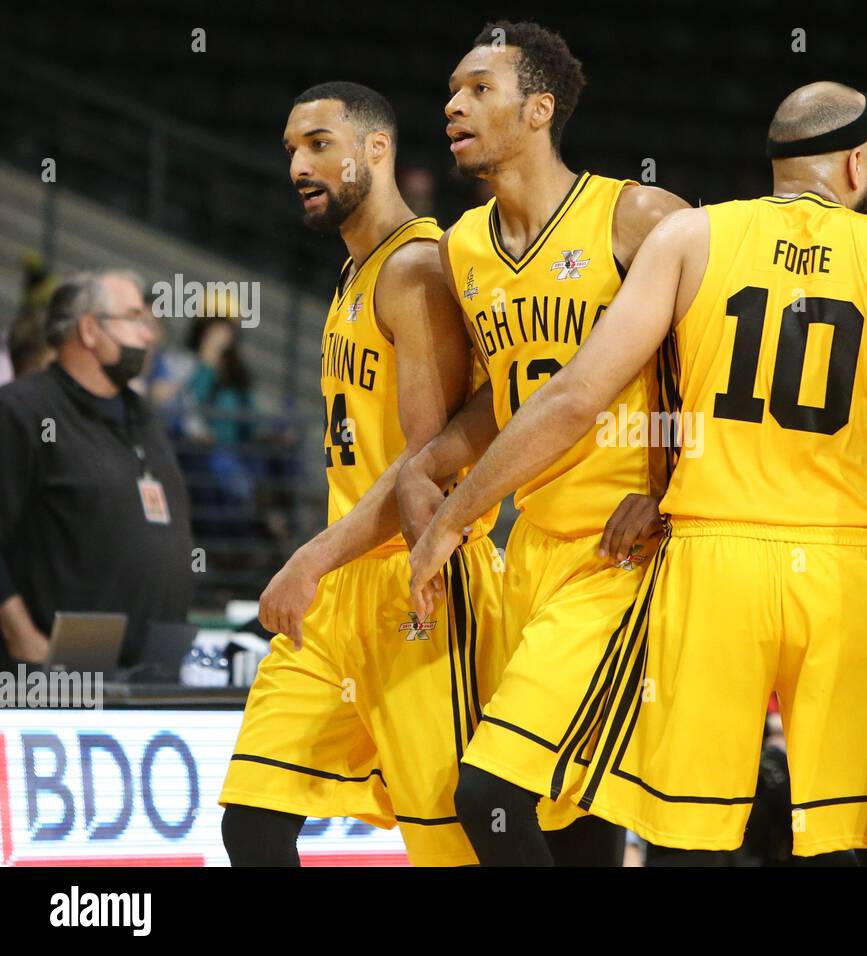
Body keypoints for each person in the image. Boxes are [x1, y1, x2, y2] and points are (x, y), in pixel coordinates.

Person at [408, 81, 867, 861]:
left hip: (711, 560)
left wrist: (457, 513)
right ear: (859, 163)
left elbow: (575, 395)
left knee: (686, 838)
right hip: (844, 564)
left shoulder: (691, 237)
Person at [395, 21, 689, 866]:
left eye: (479, 88)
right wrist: (425, 468)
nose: (453, 104)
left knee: (489, 792)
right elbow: (507, 399)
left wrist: (669, 484)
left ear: (539, 109)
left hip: (623, 550)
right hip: (530, 543)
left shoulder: (637, 214)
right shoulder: (463, 246)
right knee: (573, 813)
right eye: (451, 90)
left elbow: (709, 373)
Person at [217, 81, 502, 867]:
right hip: (341, 592)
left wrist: (309, 556)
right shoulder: (354, 275)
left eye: (318, 144)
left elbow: (427, 469)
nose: (297, 166)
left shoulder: (414, 270)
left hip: (419, 584)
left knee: (453, 843)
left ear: (377, 150)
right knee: (253, 815)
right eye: (290, 151)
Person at [0, 269, 193, 670]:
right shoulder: (23, 411)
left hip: (154, 667)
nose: (150, 334)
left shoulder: (145, 419)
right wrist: (22, 635)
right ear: (89, 330)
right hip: (61, 671)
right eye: (134, 318)